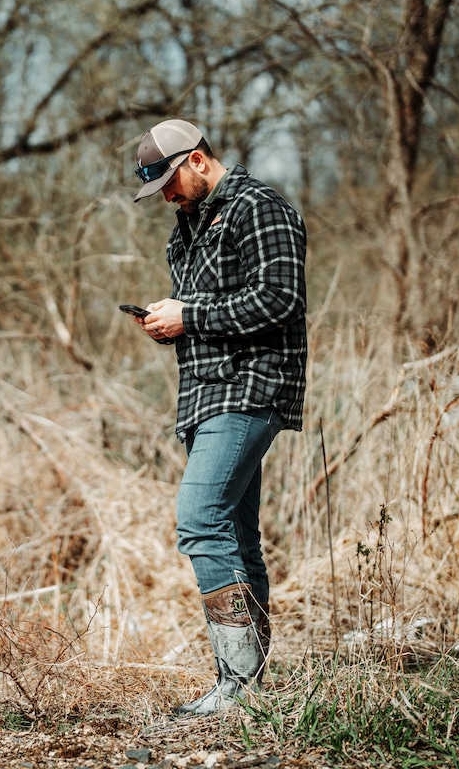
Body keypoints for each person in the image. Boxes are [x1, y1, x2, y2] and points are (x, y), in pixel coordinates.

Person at [129, 119, 307, 715]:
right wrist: (167, 323)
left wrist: (191, 314)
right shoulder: (186, 230)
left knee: (200, 518)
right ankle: (250, 687)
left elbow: (281, 298)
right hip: (203, 397)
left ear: (198, 160)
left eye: (170, 185)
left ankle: (233, 685)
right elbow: (209, 314)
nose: (168, 200)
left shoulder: (261, 208)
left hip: (252, 389)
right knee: (235, 534)